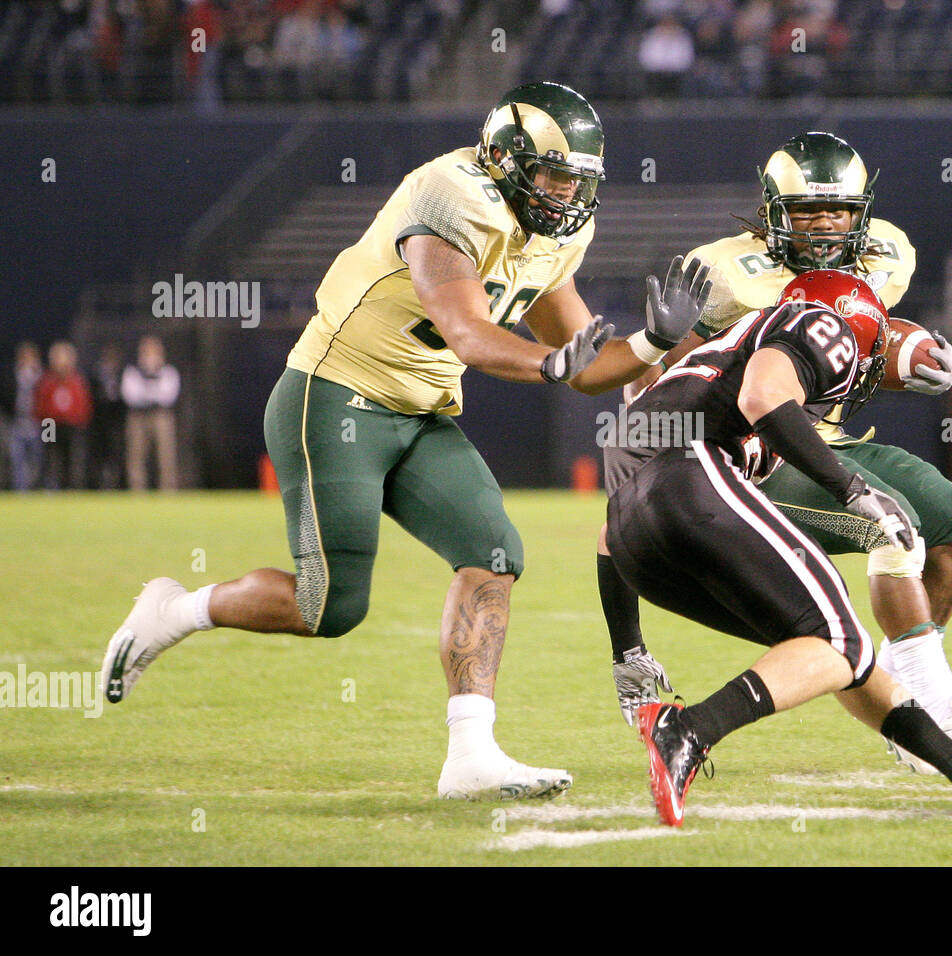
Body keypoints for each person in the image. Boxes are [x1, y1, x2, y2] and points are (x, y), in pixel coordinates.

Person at [101, 82, 712, 801]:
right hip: (334, 395)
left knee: (494, 553)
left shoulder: (554, 234)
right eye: (551, 175)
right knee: (328, 607)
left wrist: (652, 344)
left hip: (420, 414)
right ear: (505, 159)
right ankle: (175, 610)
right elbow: (470, 335)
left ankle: (471, 755)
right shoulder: (449, 195)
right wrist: (549, 364)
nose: (565, 194)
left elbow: (584, 365)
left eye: (577, 179)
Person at [600, 131, 952, 774]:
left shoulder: (886, 255)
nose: (825, 224)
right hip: (753, 453)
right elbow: (657, 387)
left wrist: (905, 357)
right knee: (890, 526)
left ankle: (905, 693)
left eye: (840, 210)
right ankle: (936, 707)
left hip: (829, 438)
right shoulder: (723, 273)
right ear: (773, 210)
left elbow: (855, 342)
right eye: (806, 210)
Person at [605, 269, 952, 826]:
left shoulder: (691, 379)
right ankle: (688, 729)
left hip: (634, 539)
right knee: (836, 638)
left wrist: (626, 645)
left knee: (833, 653)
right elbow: (764, 396)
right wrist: (854, 490)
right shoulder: (816, 322)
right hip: (693, 486)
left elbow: (613, 523)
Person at [122, 335, 181, 491]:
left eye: (153, 352)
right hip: (138, 416)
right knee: (136, 455)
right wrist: (151, 392)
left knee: (165, 454)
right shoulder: (133, 372)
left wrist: (148, 391)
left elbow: (168, 396)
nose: (150, 356)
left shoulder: (168, 372)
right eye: (146, 352)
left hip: (161, 416)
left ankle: (168, 490)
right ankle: (137, 490)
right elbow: (130, 395)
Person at [35, 341, 93, 491]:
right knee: (50, 456)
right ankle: (50, 487)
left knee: (73, 456)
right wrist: (45, 420)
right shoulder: (47, 381)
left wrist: (79, 421)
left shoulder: (77, 381)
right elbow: (41, 404)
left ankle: (72, 486)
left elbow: (83, 405)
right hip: (50, 424)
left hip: (72, 424)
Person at [5, 342, 45, 491]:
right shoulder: (11, 376)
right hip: (17, 421)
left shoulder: (43, 377)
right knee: (17, 458)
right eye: (24, 357)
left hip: (45, 423)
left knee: (42, 457)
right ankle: (20, 490)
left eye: (30, 357)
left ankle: (42, 488)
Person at [89, 343, 128, 490]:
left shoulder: (122, 375)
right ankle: (96, 485)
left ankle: (118, 485)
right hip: (50, 423)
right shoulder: (95, 376)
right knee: (51, 448)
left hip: (116, 422)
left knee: (117, 454)